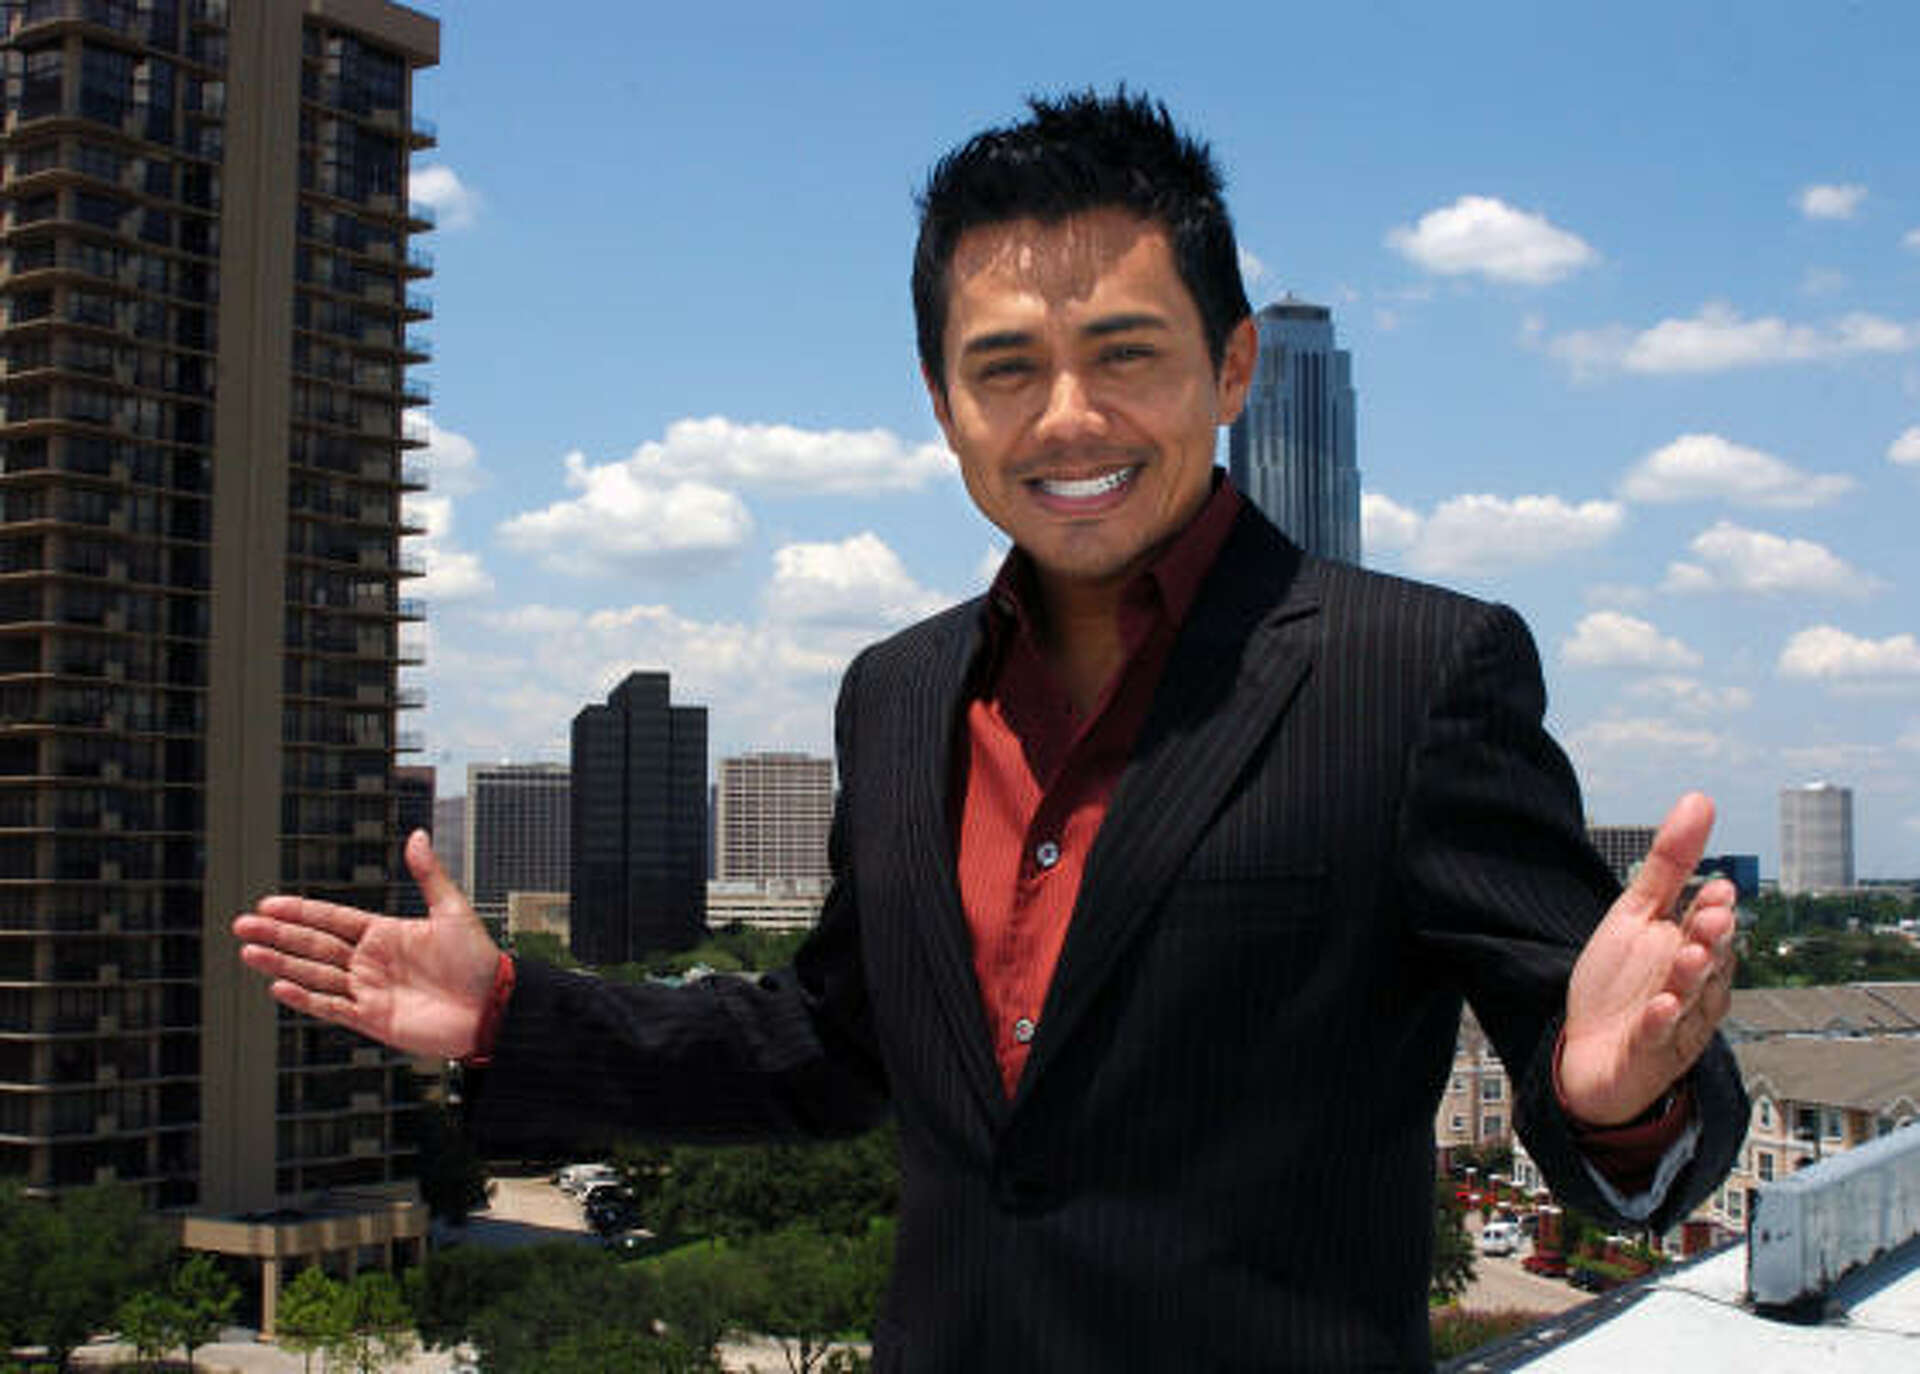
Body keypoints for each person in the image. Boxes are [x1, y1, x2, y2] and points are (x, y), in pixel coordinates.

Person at [235, 90, 1745, 1370]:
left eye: (1127, 352)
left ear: (1231, 367)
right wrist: (512, 1014)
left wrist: (1626, 1098)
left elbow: (1598, 1059)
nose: (1067, 416)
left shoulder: (1411, 673)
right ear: (941, 400)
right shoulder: (897, 694)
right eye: (1007, 367)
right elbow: (827, 1046)